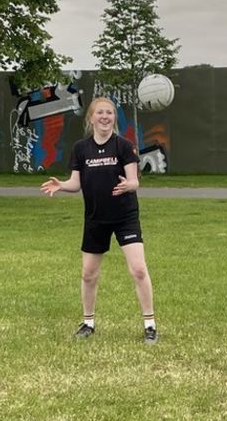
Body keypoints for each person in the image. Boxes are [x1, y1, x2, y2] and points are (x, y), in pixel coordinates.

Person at [40, 97, 158, 344]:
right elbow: (76, 183)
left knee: (138, 269)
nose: (105, 117)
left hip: (125, 217)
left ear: (114, 118)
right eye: (100, 113)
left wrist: (129, 185)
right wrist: (61, 185)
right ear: (91, 118)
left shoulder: (123, 146)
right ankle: (88, 322)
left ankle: (149, 324)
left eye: (110, 113)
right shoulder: (81, 149)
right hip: (95, 218)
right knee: (88, 274)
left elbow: (135, 181)